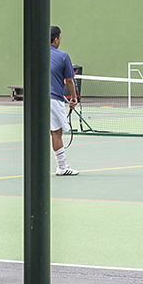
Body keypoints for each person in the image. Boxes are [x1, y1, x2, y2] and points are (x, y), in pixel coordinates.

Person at [49, 26, 80, 176]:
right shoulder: (63, 56)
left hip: (36, 101)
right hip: (54, 100)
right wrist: (74, 98)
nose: (60, 40)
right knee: (56, 133)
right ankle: (62, 167)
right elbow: (69, 80)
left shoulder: (36, 54)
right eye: (60, 38)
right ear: (56, 39)